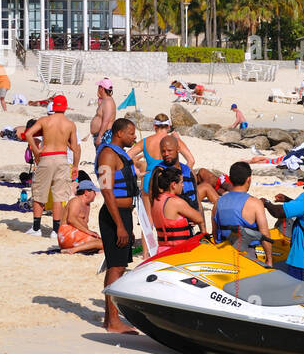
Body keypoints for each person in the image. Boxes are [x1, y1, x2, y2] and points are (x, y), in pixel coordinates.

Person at [95, 117, 140, 334]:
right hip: (114, 216)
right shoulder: (107, 155)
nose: (134, 137)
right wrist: (120, 225)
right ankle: (113, 322)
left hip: (123, 215)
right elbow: (106, 191)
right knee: (116, 267)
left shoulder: (118, 154)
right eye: (131, 133)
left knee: (119, 266)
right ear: (119, 133)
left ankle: (109, 319)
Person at [25, 94, 80, 236]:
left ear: (54, 106)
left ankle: (36, 228)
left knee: (39, 193)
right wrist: (75, 165)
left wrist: (36, 151)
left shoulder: (45, 120)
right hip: (62, 159)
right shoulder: (70, 124)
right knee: (59, 195)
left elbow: (28, 134)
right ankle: (55, 230)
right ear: (65, 107)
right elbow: (76, 148)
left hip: (46, 157)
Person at [212, 162, 273, 264]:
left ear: (230, 179)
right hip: (246, 256)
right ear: (248, 179)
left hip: (223, 254)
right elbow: (265, 234)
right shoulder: (255, 204)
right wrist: (269, 259)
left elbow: (215, 232)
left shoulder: (218, 202)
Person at [136, 114, 194, 208]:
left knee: (149, 220)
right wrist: (180, 177)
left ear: (154, 126)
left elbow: (127, 156)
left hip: (149, 180)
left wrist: (137, 172)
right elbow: (191, 160)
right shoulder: (173, 141)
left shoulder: (146, 141)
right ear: (168, 126)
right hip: (168, 182)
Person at [150, 164, 205, 246]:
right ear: (173, 185)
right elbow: (199, 218)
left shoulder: (155, 200)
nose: (182, 185)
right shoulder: (176, 202)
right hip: (179, 250)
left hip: (163, 249)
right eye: (181, 182)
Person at [57, 177, 104, 255]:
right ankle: (72, 250)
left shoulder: (87, 205)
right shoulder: (76, 201)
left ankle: (79, 249)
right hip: (67, 234)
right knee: (104, 244)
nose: (95, 194)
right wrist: (88, 232)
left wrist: (90, 233)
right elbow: (71, 219)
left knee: (104, 244)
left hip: (77, 234)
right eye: (94, 192)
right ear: (86, 192)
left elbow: (82, 224)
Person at [90, 78, 116, 147]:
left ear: (101, 88)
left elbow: (106, 121)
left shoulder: (108, 102)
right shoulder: (105, 100)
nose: (97, 89)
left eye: (99, 87)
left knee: (102, 156)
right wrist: (100, 98)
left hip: (104, 134)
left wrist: (100, 136)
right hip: (101, 134)